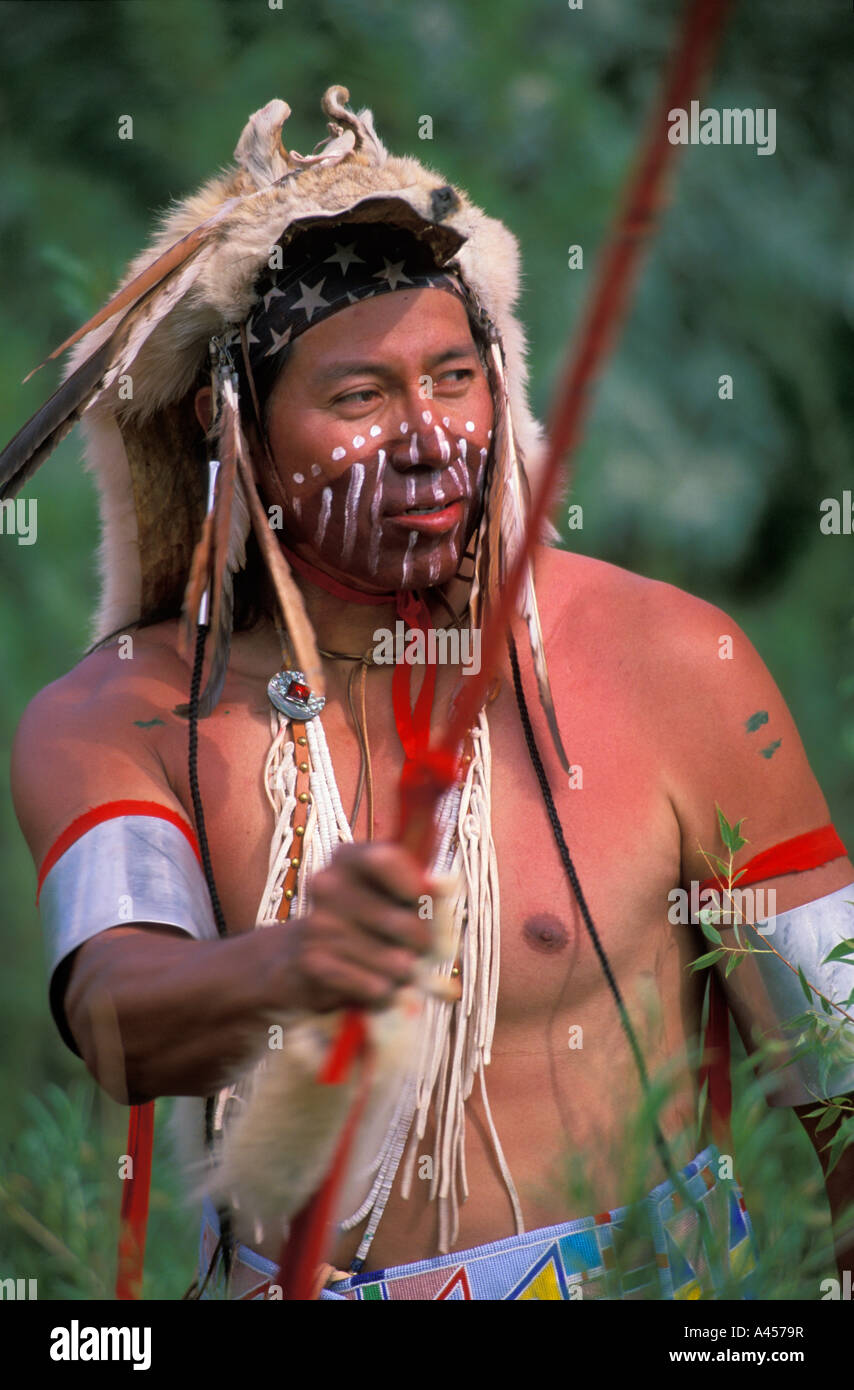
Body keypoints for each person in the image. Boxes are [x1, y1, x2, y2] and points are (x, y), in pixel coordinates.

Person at [5, 87, 854, 1302]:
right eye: (360, 398)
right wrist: (291, 967)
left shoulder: (672, 659)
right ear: (229, 425)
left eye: (454, 378)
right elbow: (118, 1019)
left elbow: (839, 1063)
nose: (429, 437)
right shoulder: (123, 714)